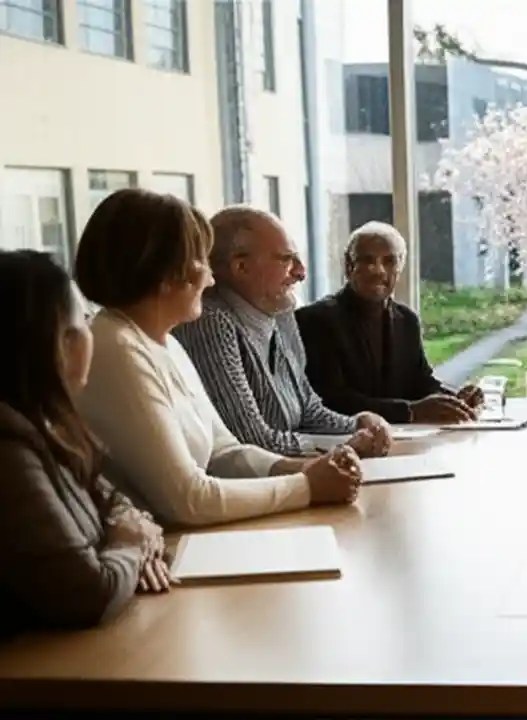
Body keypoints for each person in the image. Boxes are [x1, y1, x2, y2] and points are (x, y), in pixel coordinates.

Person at [75, 190, 363, 527]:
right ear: (164, 275)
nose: (211, 279)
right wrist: (306, 488)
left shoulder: (162, 341)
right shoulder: (117, 348)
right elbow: (189, 500)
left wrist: (305, 469)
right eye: (201, 262)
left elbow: (224, 452)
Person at [0, 250, 170, 635]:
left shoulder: (49, 423)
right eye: (84, 324)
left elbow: (117, 503)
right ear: (54, 341)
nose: (90, 336)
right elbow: (88, 594)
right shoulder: (8, 446)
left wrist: (132, 536)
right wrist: (129, 546)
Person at [172, 206, 391, 458]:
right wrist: (342, 448)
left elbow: (307, 410)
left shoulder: (281, 312)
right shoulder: (210, 322)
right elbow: (251, 441)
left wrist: (358, 425)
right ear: (241, 267)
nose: (301, 272)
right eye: (286, 259)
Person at [296, 222, 483, 424]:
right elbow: (330, 400)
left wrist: (455, 400)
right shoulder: (315, 320)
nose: (379, 271)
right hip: (341, 444)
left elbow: (420, 383)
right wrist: (409, 412)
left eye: (389, 261)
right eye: (367, 261)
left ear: (400, 268)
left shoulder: (407, 320)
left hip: (404, 441)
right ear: (348, 266)